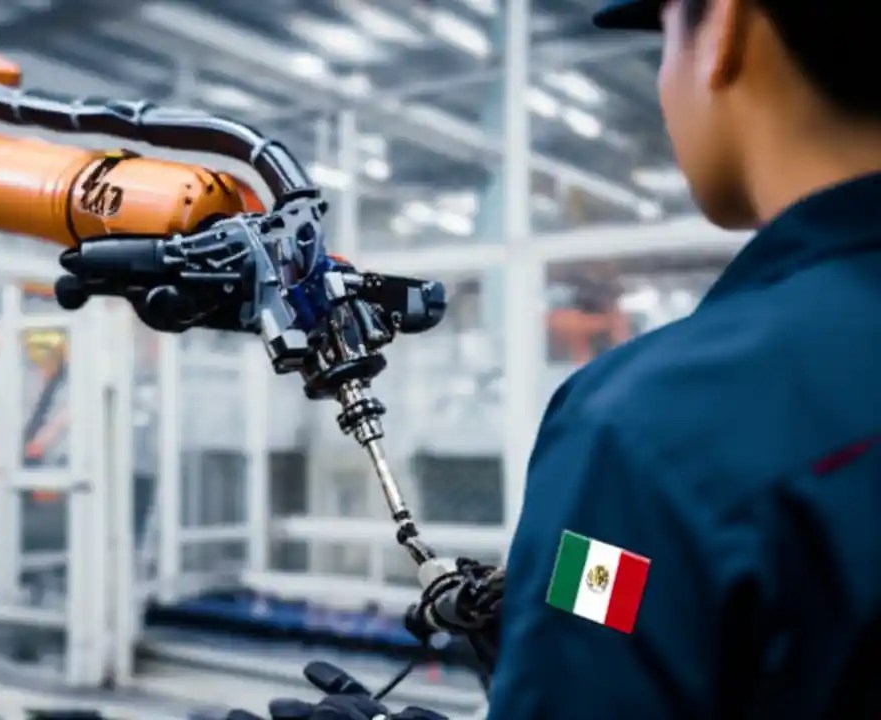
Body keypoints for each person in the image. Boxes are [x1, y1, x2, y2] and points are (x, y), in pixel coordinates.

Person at [236, 0, 881, 717]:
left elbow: (601, 617)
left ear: (724, 25)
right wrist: (553, 637)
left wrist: (563, 650)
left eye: (663, 33)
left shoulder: (648, 429)